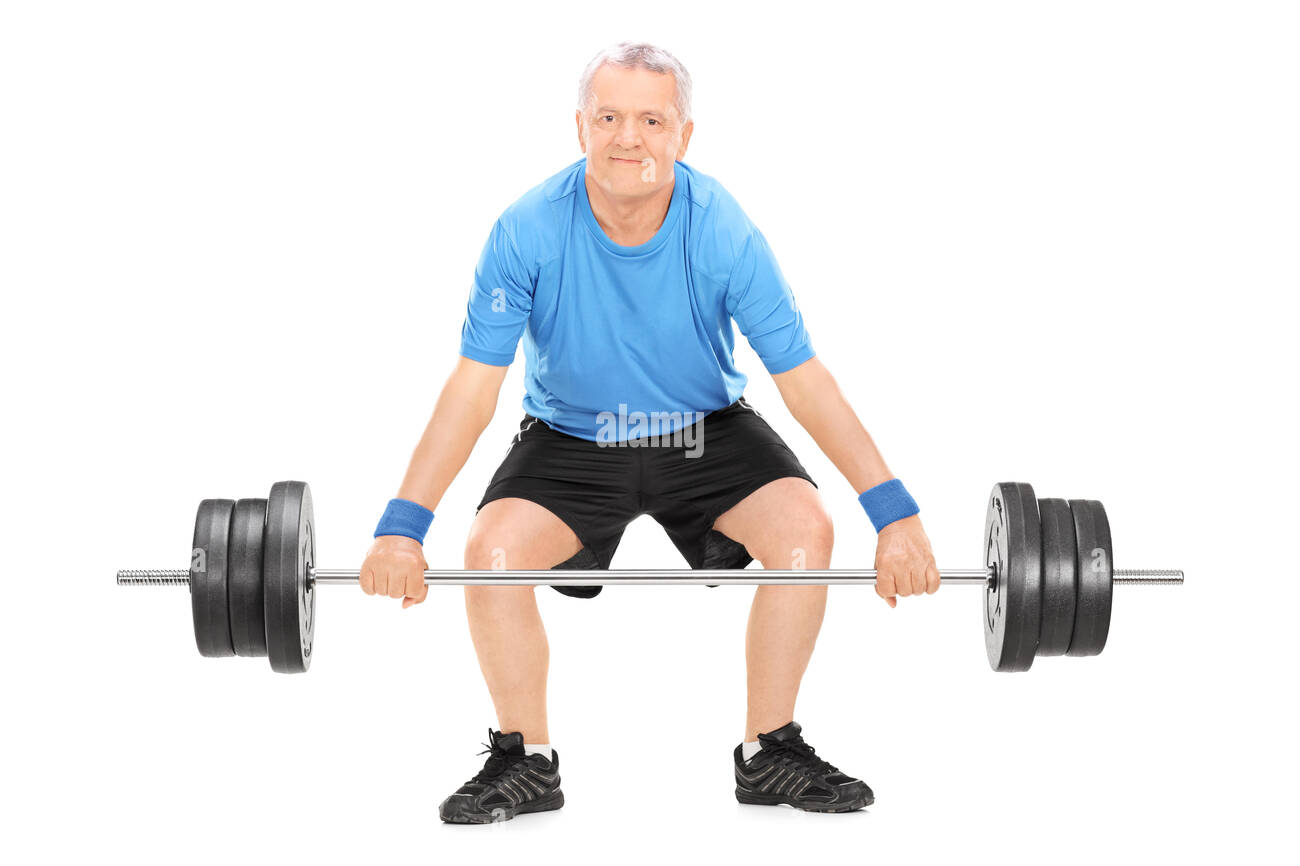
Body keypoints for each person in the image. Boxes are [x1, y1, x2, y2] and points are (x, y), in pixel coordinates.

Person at [359, 42, 940, 824]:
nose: (628, 137)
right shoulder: (527, 229)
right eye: (608, 117)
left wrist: (895, 515)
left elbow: (804, 381)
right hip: (570, 438)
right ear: (579, 128)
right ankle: (523, 757)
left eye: (650, 119)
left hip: (703, 432)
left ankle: (768, 750)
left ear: (683, 136)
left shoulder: (722, 229)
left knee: (804, 530)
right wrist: (402, 530)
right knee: (490, 553)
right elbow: (471, 388)